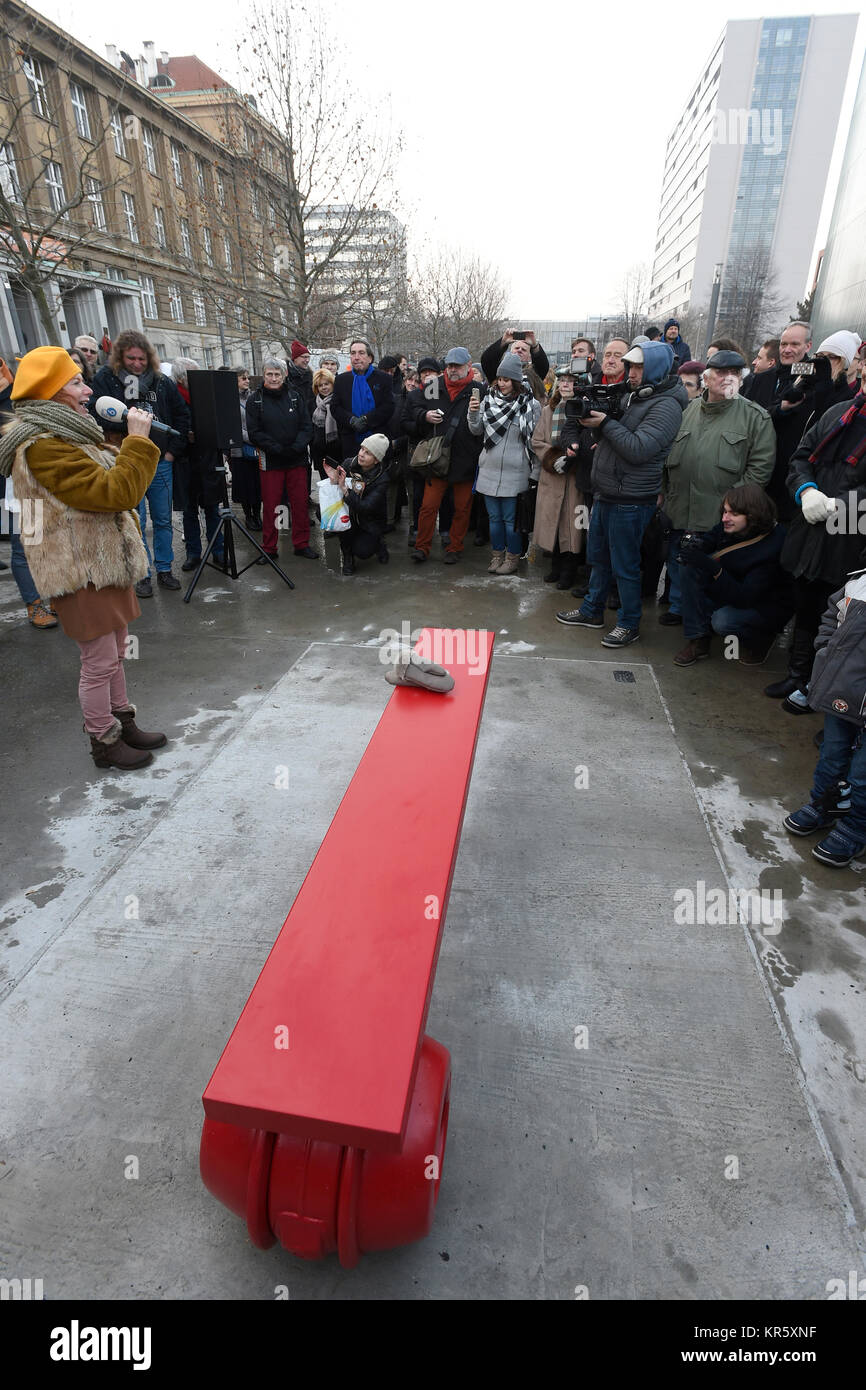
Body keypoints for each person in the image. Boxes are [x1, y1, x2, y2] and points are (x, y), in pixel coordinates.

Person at [0, 346, 166, 769]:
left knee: (116, 650)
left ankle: (122, 720)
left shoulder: (71, 432)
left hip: (102, 562)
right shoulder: (41, 446)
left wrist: (125, 445)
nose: (88, 388)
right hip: (78, 568)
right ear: (51, 393)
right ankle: (104, 741)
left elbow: (110, 478)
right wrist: (137, 442)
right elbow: (115, 493)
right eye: (75, 381)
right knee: (98, 661)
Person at [555, 341, 687, 646]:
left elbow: (639, 449)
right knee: (598, 558)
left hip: (632, 499)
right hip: (608, 491)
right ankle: (592, 611)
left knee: (625, 565)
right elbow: (617, 438)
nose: (633, 372)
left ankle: (629, 623)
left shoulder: (666, 404)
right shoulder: (636, 397)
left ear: (655, 367)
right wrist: (597, 424)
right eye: (632, 366)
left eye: (640, 366)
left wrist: (607, 424)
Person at [766, 350, 866, 711]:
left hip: (853, 534)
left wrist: (844, 504)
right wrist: (806, 490)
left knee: (839, 613)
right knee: (805, 601)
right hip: (811, 527)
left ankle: (822, 687)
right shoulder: (838, 413)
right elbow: (801, 457)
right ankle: (799, 675)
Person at [660, 350, 775, 627]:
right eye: (721, 373)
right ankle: (679, 607)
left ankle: (703, 618)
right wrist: (662, 495)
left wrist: (732, 507)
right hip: (680, 508)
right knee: (677, 561)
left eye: (734, 374)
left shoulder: (755, 418)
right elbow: (665, 458)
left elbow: (759, 469)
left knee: (709, 570)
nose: (727, 379)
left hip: (719, 516)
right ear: (707, 378)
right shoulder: (685, 413)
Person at [89, 329, 190, 597]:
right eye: (131, 358)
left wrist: (171, 453)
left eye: (141, 359)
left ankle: (165, 569)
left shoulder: (161, 382)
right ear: (121, 357)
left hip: (159, 461)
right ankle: (141, 573)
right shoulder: (105, 380)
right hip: (123, 462)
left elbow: (182, 415)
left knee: (162, 519)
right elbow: (95, 414)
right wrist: (128, 420)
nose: (136, 364)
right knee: (134, 520)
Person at [783, 569, 866, 866]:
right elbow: (833, 611)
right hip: (843, 691)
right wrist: (826, 649)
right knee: (832, 754)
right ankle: (823, 805)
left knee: (862, 773)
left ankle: (855, 827)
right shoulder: (859, 582)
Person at [672, 484, 793, 667]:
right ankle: (698, 638)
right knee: (690, 565)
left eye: (732, 514)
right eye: (724, 511)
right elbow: (712, 539)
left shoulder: (773, 548)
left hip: (763, 605)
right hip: (732, 586)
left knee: (722, 621)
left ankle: (762, 638)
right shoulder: (733, 525)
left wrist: (713, 567)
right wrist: (697, 546)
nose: (724, 518)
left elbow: (744, 597)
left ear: (752, 515)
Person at [403, 347, 484, 566]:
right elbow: (414, 407)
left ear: (468, 365)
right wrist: (424, 415)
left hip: (465, 459)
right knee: (428, 506)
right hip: (437, 459)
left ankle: (455, 547)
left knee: (462, 507)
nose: (452, 370)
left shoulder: (477, 389)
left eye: (457, 366)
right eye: (449, 365)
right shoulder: (432, 386)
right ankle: (422, 547)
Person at [467, 351, 541, 576]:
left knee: (511, 521)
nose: (502, 383)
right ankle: (496, 556)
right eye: (499, 379)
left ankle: (512, 558)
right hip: (489, 468)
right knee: (494, 520)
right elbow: (476, 430)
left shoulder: (531, 404)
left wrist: (535, 473)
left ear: (516, 380)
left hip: (516, 472)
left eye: (506, 379)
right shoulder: (487, 399)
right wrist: (471, 414)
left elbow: (535, 441)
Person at [244, 358, 315, 564]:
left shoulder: (295, 397)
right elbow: (254, 432)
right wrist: (276, 449)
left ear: (284, 376)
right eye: (269, 374)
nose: (273, 378)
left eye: (277, 374)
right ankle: (270, 547)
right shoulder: (255, 400)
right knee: (274, 506)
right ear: (263, 375)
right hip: (271, 461)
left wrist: (296, 447)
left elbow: (306, 426)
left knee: (300, 503)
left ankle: (301, 544)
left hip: (297, 459)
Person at [531, 364, 586, 591]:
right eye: (562, 380)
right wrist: (554, 460)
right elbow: (537, 441)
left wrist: (571, 459)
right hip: (552, 477)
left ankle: (569, 571)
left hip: (574, 480)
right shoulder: (548, 410)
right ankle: (555, 567)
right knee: (552, 524)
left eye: (571, 380)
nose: (565, 384)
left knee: (572, 527)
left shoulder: (584, 409)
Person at [172, 358, 225, 571]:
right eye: (192, 374)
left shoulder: (205, 395)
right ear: (181, 378)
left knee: (212, 508)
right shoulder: (174, 396)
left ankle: (218, 550)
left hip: (208, 459)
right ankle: (193, 554)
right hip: (185, 462)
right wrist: (185, 436)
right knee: (189, 511)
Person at [766, 320, 814, 520]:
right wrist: (779, 409)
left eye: (794, 344)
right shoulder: (764, 377)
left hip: (789, 475)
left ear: (808, 346)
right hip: (761, 470)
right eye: (783, 344)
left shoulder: (812, 379)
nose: (787, 350)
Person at [323, 433, 390, 575]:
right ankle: (347, 556)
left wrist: (346, 491)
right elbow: (336, 491)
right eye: (362, 449)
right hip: (351, 514)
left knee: (363, 552)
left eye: (368, 453)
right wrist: (334, 480)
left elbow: (366, 508)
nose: (362, 454)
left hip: (369, 522)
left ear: (377, 460)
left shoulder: (382, 479)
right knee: (328, 515)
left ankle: (379, 543)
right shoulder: (349, 463)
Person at [330, 339, 396, 459]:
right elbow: (335, 407)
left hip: (378, 440)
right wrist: (351, 420)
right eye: (353, 353)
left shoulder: (384, 379)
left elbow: (388, 406)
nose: (356, 357)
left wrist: (366, 420)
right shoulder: (341, 380)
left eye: (361, 353)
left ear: (370, 358)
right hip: (350, 440)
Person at [228, 367, 262, 531]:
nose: (247, 381)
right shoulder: (229, 400)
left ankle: (257, 515)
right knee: (245, 487)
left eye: (247, 378)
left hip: (256, 450)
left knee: (257, 485)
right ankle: (248, 516)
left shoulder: (254, 397)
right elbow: (233, 426)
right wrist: (254, 438)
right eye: (243, 378)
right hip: (240, 451)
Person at [480, 331, 549, 402]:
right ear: (510, 351)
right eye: (517, 348)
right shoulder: (500, 370)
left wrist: (535, 345)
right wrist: (503, 341)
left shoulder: (533, 375)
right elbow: (487, 361)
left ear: (529, 357)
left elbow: (543, 367)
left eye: (524, 350)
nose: (519, 350)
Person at [311, 368, 340, 476]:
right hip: (320, 455)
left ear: (332, 384)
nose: (324, 387)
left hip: (338, 454)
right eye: (320, 385)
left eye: (326, 384)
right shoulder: (313, 404)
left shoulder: (339, 401)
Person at [742, 338, 781, 409]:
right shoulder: (748, 381)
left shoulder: (781, 389)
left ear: (771, 362)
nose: (753, 362)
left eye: (759, 358)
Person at [286, 340, 315, 413]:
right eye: (304, 357)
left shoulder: (310, 375)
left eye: (308, 357)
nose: (307, 360)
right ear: (295, 358)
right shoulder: (285, 375)